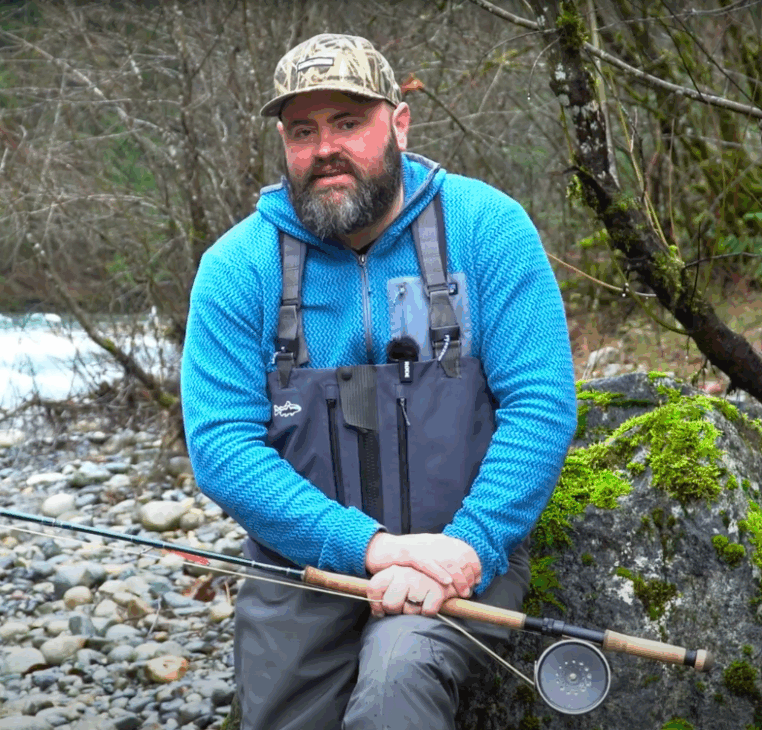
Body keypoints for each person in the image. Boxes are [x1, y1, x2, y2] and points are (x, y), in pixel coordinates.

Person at [180, 33, 577, 730]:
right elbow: (221, 448)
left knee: (397, 679)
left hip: (459, 559)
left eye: (348, 122)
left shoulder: (488, 230)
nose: (325, 148)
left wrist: (470, 545)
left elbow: (541, 404)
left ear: (399, 124)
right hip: (303, 571)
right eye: (303, 131)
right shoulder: (237, 267)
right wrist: (372, 549)